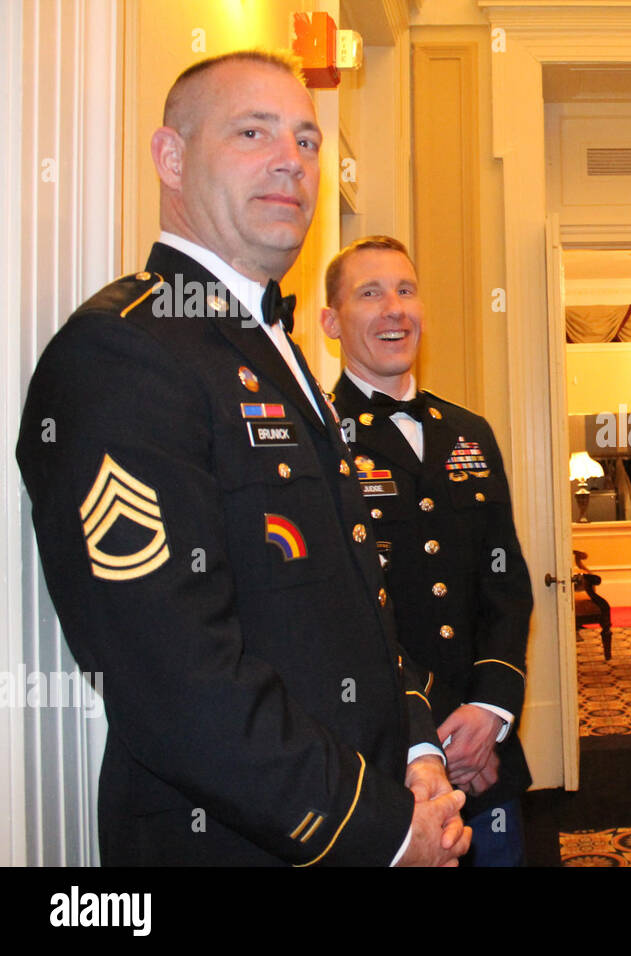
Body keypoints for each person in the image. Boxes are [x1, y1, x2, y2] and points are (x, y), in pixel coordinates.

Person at [15, 51, 467, 866]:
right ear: (171, 157)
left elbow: (360, 606)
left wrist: (417, 752)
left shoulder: (280, 354)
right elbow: (174, 677)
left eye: (305, 141)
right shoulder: (124, 350)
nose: (290, 162)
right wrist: (383, 830)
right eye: (252, 132)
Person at [321, 236, 534, 866]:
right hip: (384, 763)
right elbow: (340, 614)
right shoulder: (318, 439)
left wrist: (491, 712)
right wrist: (429, 742)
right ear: (332, 322)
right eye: (370, 293)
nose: (394, 309)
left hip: (487, 756)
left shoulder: (469, 432)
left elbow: (505, 584)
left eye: (406, 290)